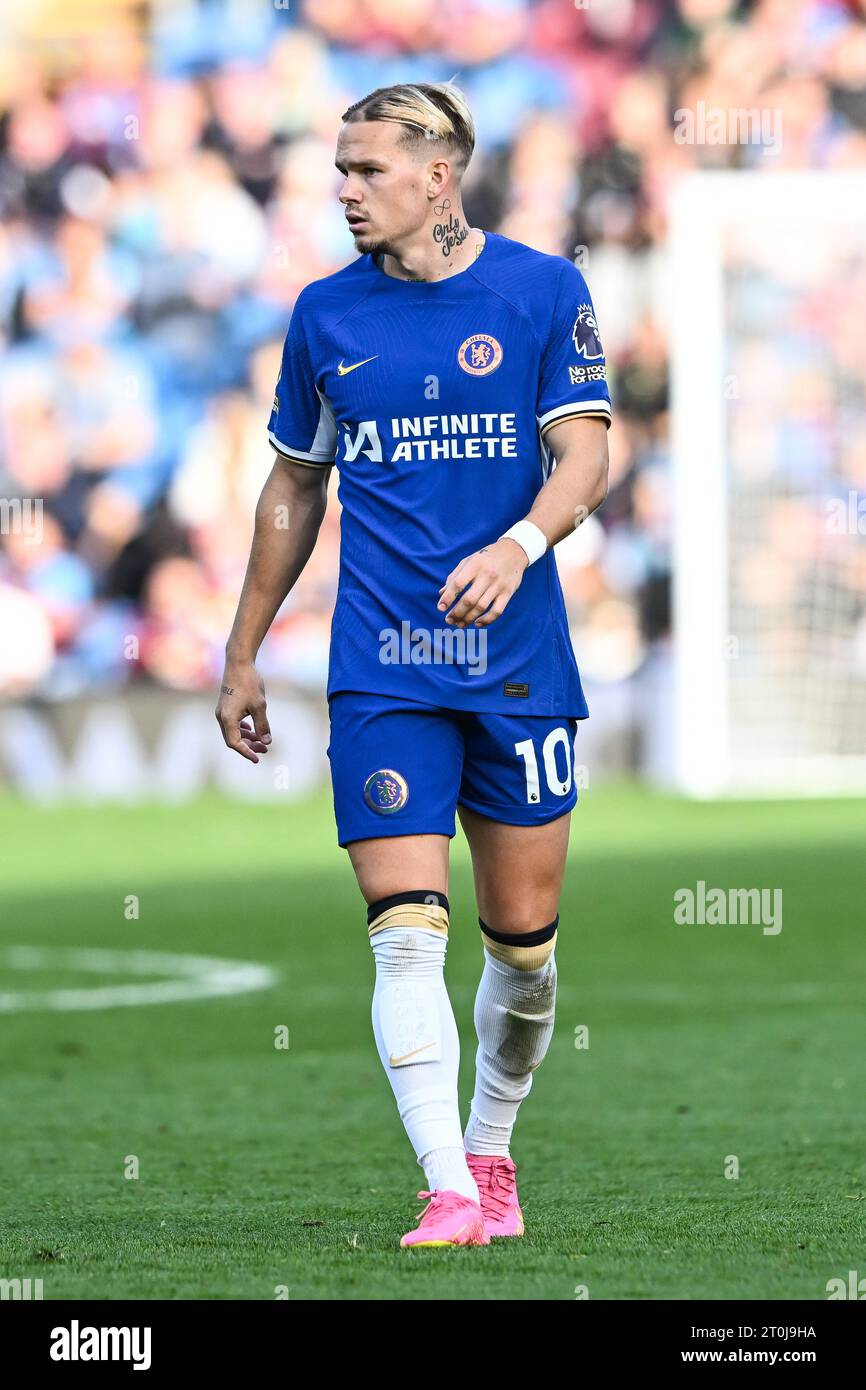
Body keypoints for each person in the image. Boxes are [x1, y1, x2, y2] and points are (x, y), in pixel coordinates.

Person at [216, 82, 610, 1249]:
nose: (342, 190)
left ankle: (490, 1147)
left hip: (517, 664)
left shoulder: (542, 290)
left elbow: (581, 458)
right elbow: (293, 485)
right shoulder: (325, 316)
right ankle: (446, 1187)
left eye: (364, 169)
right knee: (401, 929)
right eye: (337, 170)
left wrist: (517, 543)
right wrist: (240, 650)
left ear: (438, 175)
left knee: (523, 956)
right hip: (383, 662)